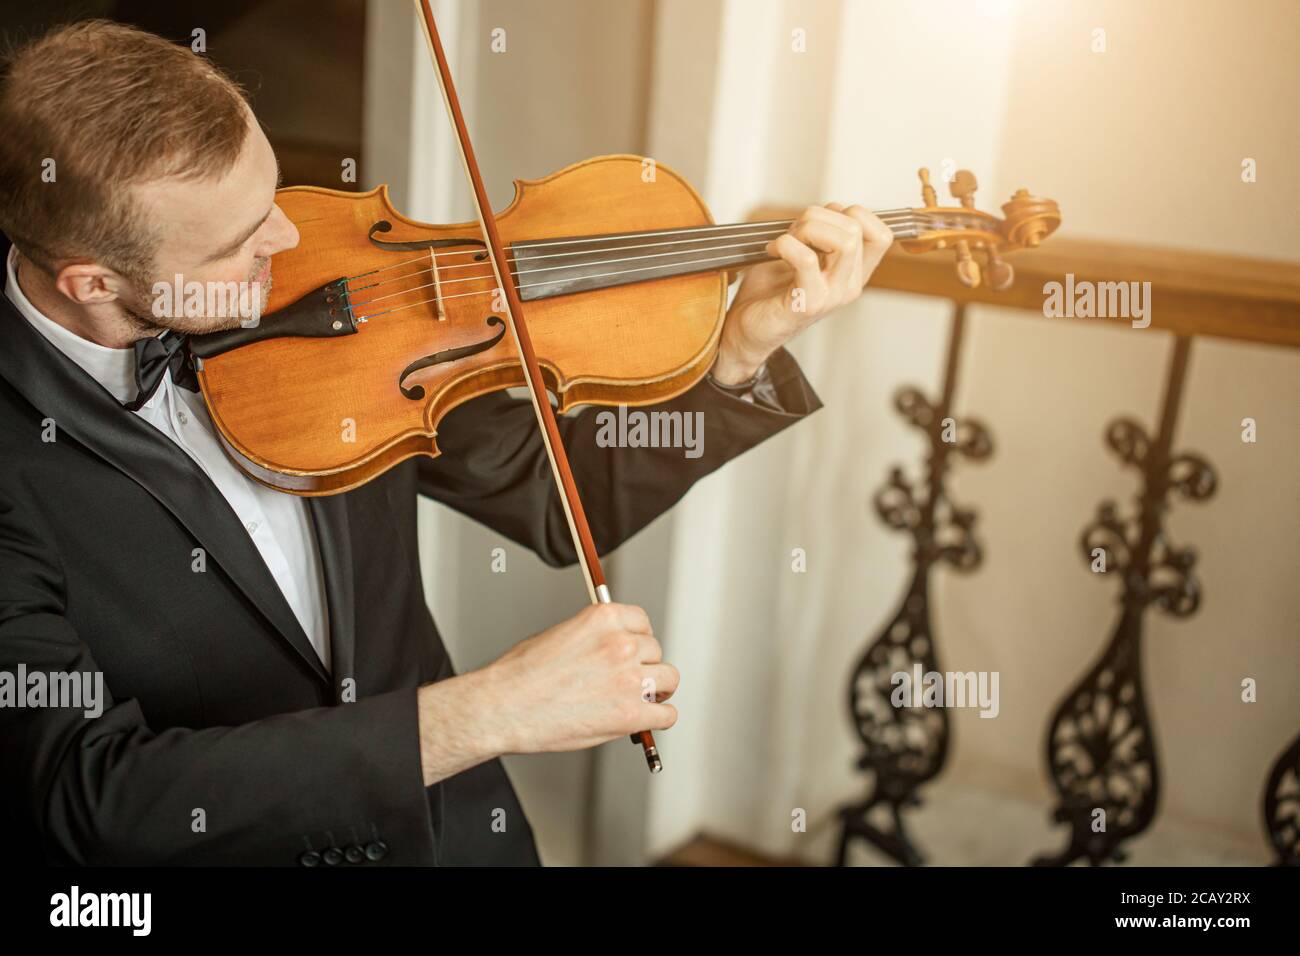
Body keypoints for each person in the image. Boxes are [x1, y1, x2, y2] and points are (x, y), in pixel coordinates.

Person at [0, 20, 894, 865]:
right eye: (240, 242)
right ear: (93, 282)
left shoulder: (329, 279)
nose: (289, 235)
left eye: (271, 195)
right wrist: (486, 712)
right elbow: (96, 798)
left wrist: (738, 347)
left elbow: (550, 496)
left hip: (458, 840)